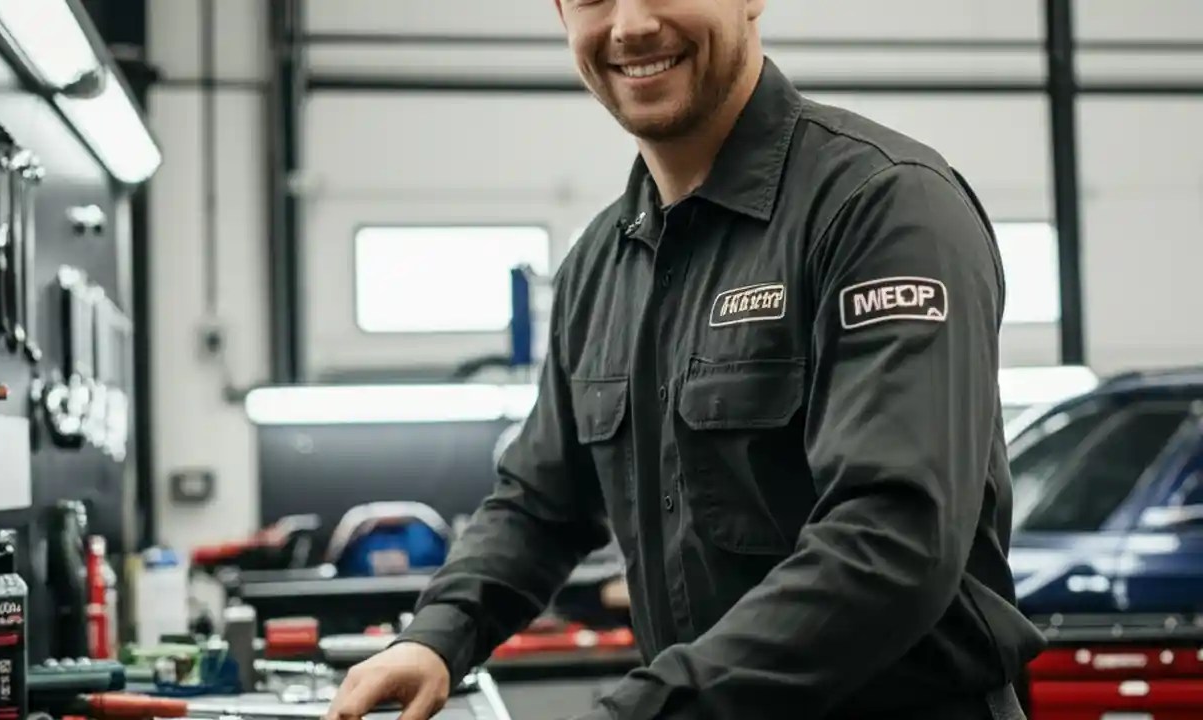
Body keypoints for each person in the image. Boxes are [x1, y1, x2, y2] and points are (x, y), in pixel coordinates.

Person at [326, 0, 1046, 718]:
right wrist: (436, 636)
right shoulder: (599, 266)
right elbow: (540, 503)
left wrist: (646, 710)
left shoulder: (882, 208)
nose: (631, 25)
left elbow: (894, 540)